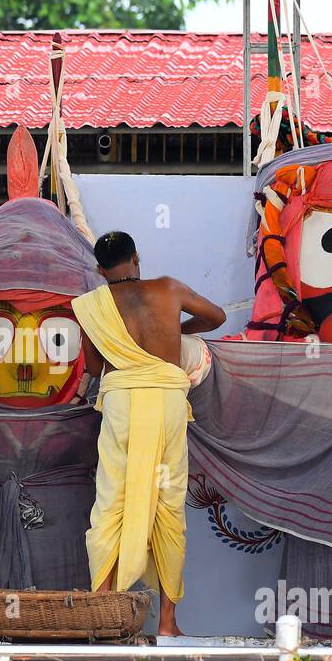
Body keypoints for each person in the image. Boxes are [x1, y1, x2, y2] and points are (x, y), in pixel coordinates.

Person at [71, 231, 226, 637]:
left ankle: (103, 610)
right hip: (166, 403)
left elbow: (92, 365)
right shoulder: (169, 289)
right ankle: (169, 625)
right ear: (137, 259)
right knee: (169, 505)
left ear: (100, 270)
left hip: (122, 402)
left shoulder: (91, 308)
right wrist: (175, 328)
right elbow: (217, 317)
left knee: (110, 504)